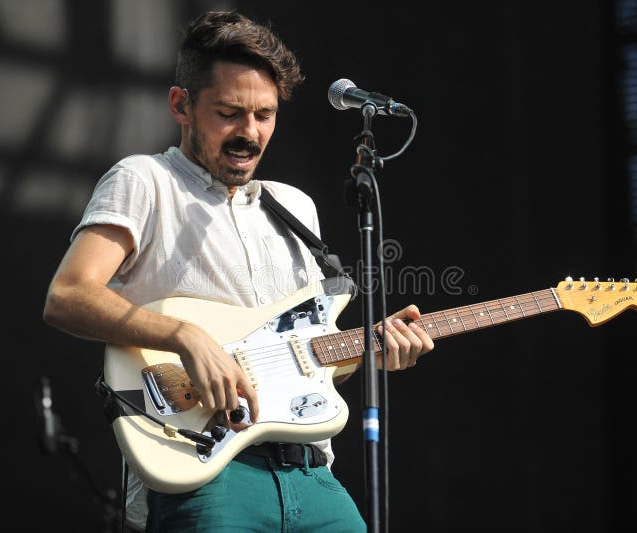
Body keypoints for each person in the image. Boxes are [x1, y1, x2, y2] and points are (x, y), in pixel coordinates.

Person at [43, 9, 434, 532]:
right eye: (229, 113)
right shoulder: (144, 180)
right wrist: (185, 337)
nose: (249, 132)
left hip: (312, 475)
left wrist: (370, 350)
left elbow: (300, 355)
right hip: (205, 473)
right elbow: (67, 295)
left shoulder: (294, 206)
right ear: (181, 105)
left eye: (265, 115)